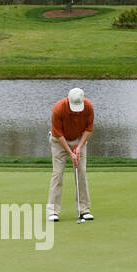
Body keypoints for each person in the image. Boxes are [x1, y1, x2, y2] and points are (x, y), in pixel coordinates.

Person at [47, 86, 93, 222]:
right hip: (58, 141)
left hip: (79, 139)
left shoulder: (88, 107)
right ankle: (53, 212)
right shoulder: (58, 108)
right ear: (68, 100)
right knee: (58, 174)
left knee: (81, 173)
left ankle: (84, 210)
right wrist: (70, 152)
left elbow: (89, 129)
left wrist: (78, 148)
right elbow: (58, 134)